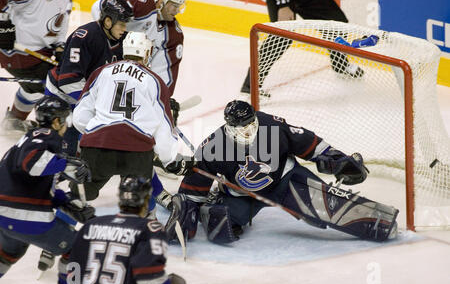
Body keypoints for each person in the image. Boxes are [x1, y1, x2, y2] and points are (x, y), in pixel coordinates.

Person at [165, 100, 398, 245]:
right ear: (229, 126)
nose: (248, 130)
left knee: (326, 205)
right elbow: (192, 189)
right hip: (242, 195)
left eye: (250, 124)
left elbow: (310, 143)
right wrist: (185, 210)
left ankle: (379, 222)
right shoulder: (214, 146)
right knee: (220, 229)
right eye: (241, 127)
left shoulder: (272, 125)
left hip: (285, 181)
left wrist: (337, 160)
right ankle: (213, 207)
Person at [71, 31, 195, 205]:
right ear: (146, 53)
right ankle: (146, 227)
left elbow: (79, 116)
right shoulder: (155, 81)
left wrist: (96, 133)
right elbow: (164, 127)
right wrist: (169, 159)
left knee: (80, 194)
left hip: (97, 147)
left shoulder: (102, 72)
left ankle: (64, 228)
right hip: (135, 151)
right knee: (140, 199)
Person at [0, 96, 95, 284]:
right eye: (65, 120)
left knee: (6, 256)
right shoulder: (46, 136)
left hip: (4, 218)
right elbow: (32, 163)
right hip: (27, 219)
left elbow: (27, 184)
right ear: (55, 121)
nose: (66, 126)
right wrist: (68, 165)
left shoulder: (22, 142)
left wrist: (65, 202)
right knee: (79, 247)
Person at [68, 175, 186, 284]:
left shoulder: (91, 225)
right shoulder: (151, 229)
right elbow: (148, 275)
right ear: (146, 201)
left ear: (120, 199)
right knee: (177, 283)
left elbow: (73, 266)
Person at [45, 0, 134, 156]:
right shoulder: (84, 36)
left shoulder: (124, 42)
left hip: (88, 92)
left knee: (86, 136)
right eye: (121, 24)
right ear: (108, 21)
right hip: (61, 95)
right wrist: (94, 103)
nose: (124, 29)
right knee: (64, 142)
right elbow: (68, 80)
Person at [240, 0, 363, 95]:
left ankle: (340, 65)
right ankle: (251, 86)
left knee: (337, 23)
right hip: (283, 1)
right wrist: (283, 5)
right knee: (281, 38)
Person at [0, 0, 72, 134]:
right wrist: (2, 25)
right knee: (61, 88)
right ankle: (54, 134)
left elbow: (61, 20)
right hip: (19, 52)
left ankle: (15, 119)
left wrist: (59, 45)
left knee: (34, 86)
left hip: (41, 52)